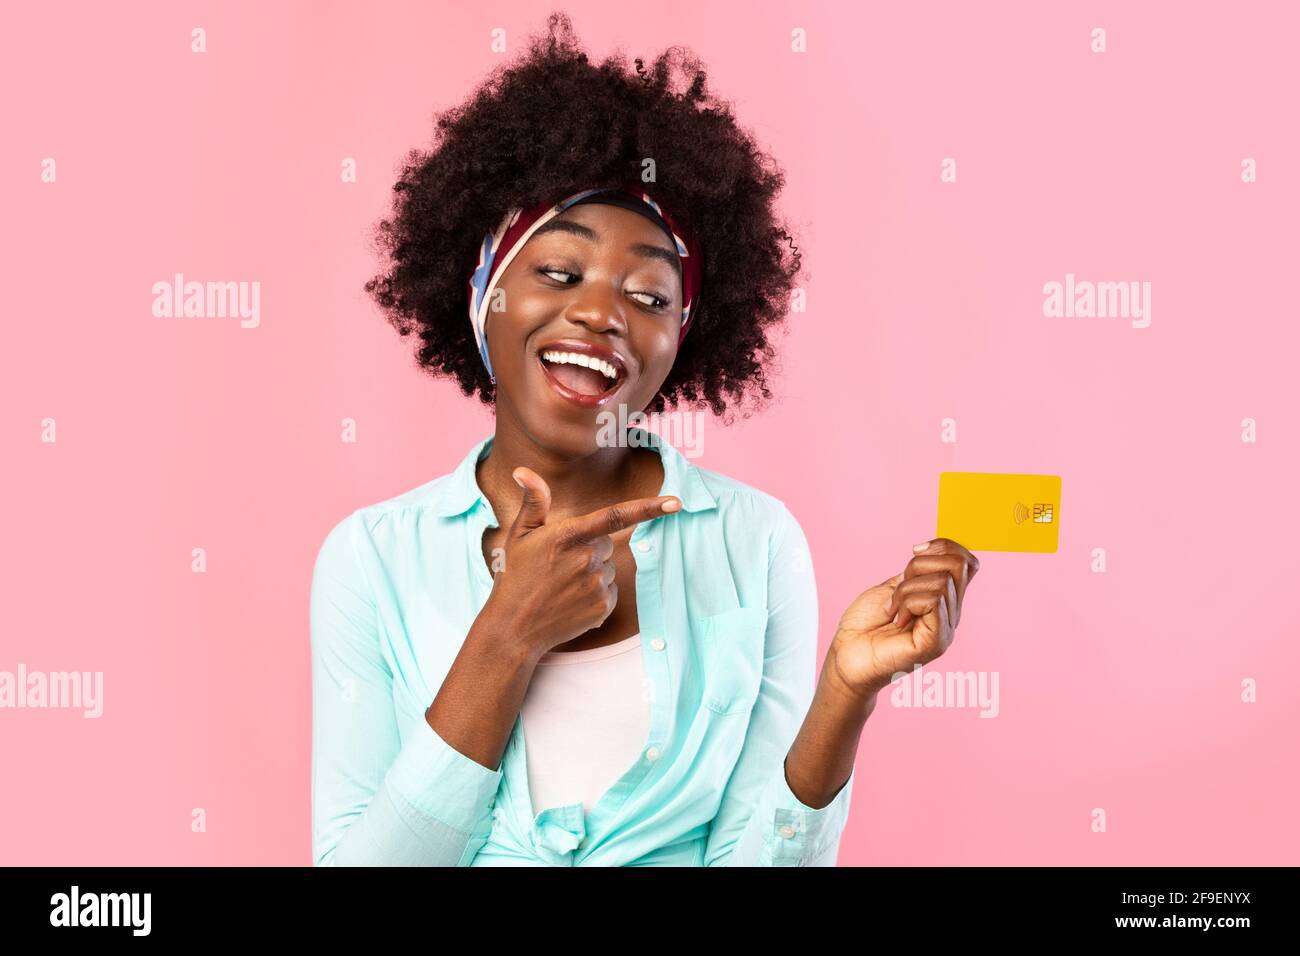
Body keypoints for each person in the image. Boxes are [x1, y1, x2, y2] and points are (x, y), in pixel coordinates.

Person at [310, 12, 980, 866]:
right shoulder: (369, 560)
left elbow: (758, 856)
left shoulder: (755, 541)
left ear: (684, 339)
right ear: (483, 290)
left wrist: (845, 694)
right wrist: (508, 633)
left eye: (651, 297)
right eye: (559, 271)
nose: (601, 314)